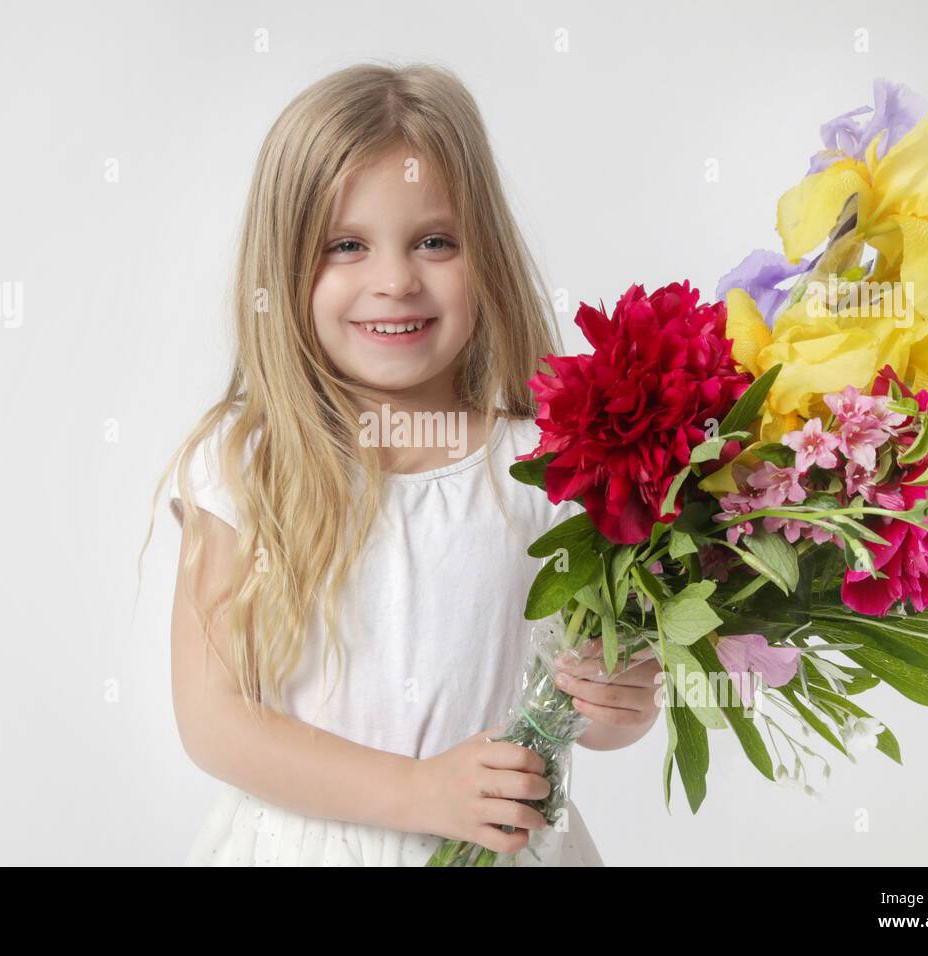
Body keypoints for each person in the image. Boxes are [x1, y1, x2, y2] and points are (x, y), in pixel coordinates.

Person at [146, 61, 662, 866]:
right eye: (346, 246)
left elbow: (584, 704)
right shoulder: (250, 464)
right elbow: (215, 723)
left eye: (434, 241)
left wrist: (618, 704)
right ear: (284, 272)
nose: (394, 280)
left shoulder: (546, 465)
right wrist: (420, 792)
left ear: (484, 253)